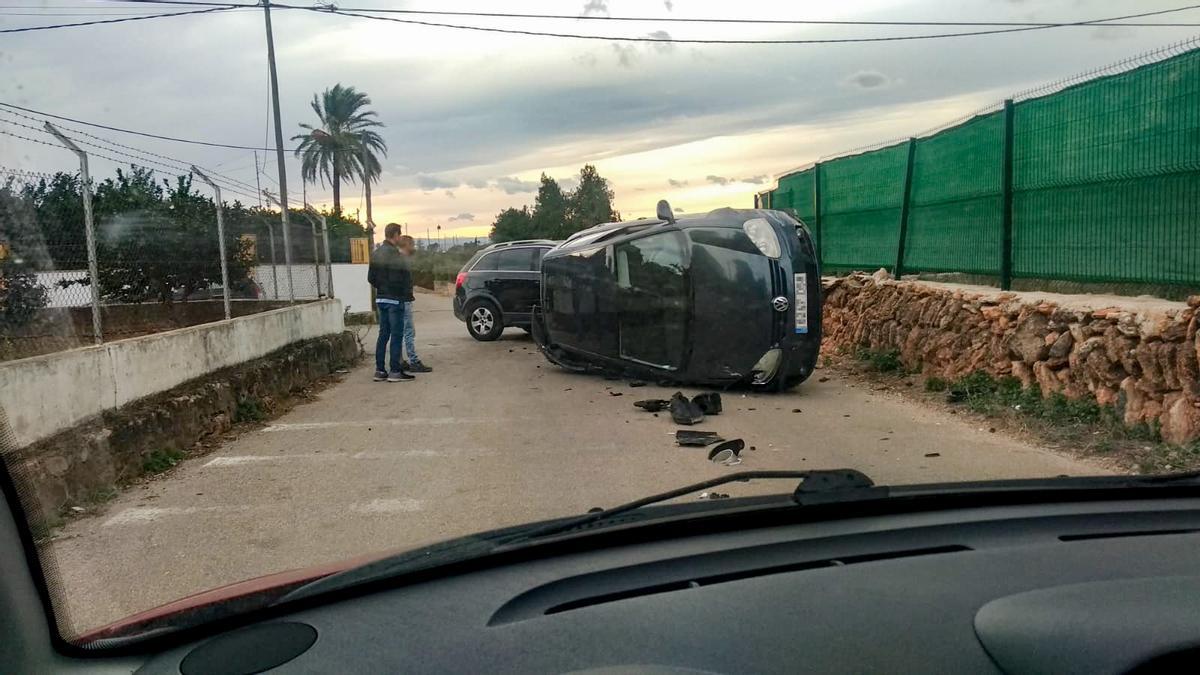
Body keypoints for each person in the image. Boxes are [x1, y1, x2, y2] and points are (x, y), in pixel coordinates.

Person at [367, 223, 415, 382]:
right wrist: (402, 293)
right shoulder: (395, 255)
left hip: (381, 298)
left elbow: (370, 278)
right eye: (399, 235)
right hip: (395, 299)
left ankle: (380, 370)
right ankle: (395, 370)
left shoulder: (376, 253)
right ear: (395, 235)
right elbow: (403, 277)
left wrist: (381, 287)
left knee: (383, 334)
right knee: (396, 335)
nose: (400, 238)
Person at [395, 235, 432, 373]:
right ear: (407, 245)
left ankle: (399, 360)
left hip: (399, 299)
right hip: (405, 299)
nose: (414, 248)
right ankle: (414, 361)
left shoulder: (397, 260)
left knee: (399, 331)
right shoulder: (404, 261)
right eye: (413, 245)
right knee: (409, 331)